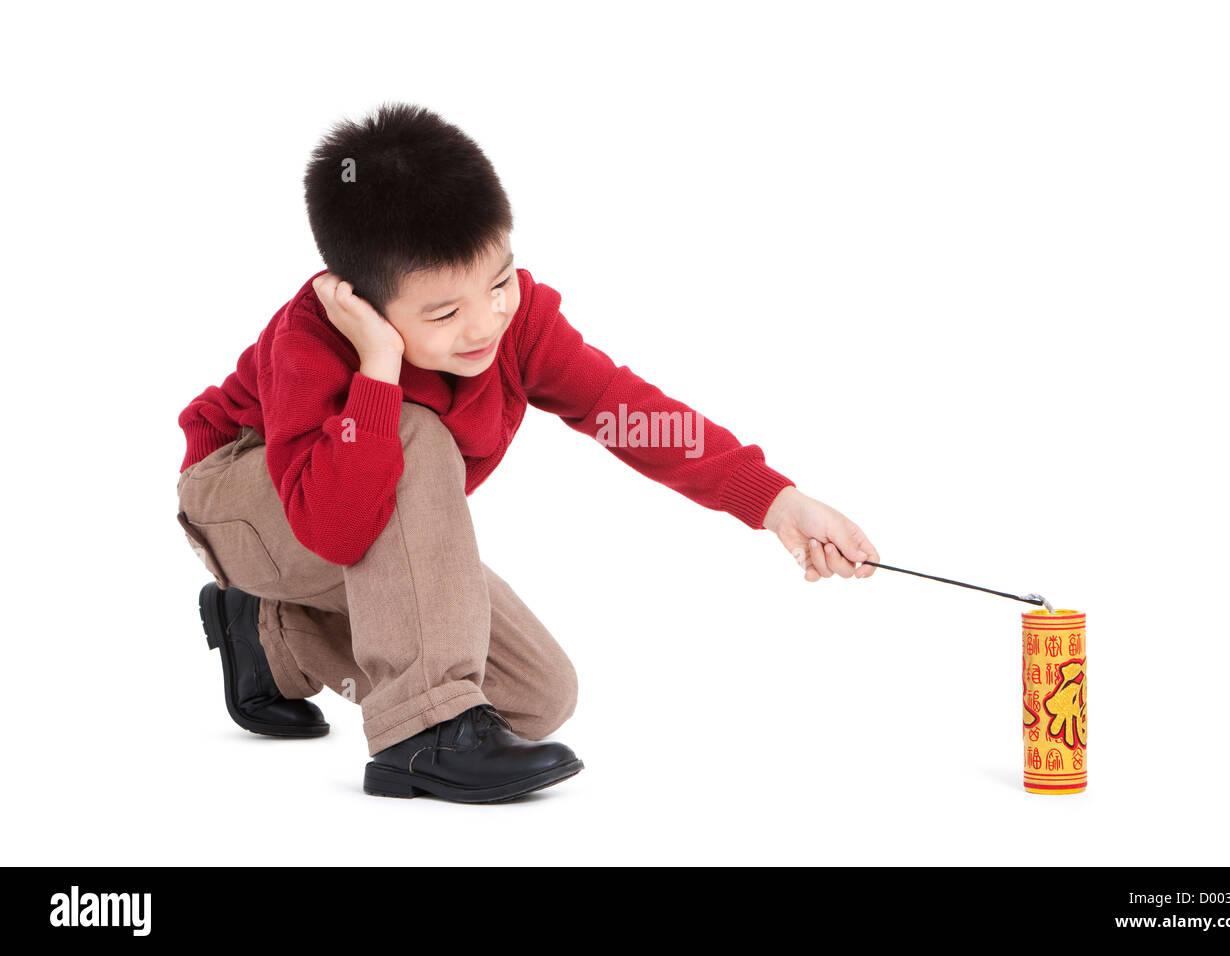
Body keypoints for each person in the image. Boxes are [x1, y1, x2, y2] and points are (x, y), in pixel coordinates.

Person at [175, 101, 881, 804]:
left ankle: (272, 636)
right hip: (247, 503)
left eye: (499, 281)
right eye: (445, 313)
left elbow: (628, 414)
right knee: (411, 432)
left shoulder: (521, 326)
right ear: (360, 301)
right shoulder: (309, 343)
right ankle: (418, 741)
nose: (485, 324)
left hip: (357, 528)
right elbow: (330, 526)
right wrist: (377, 372)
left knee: (537, 694)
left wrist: (777, 501)